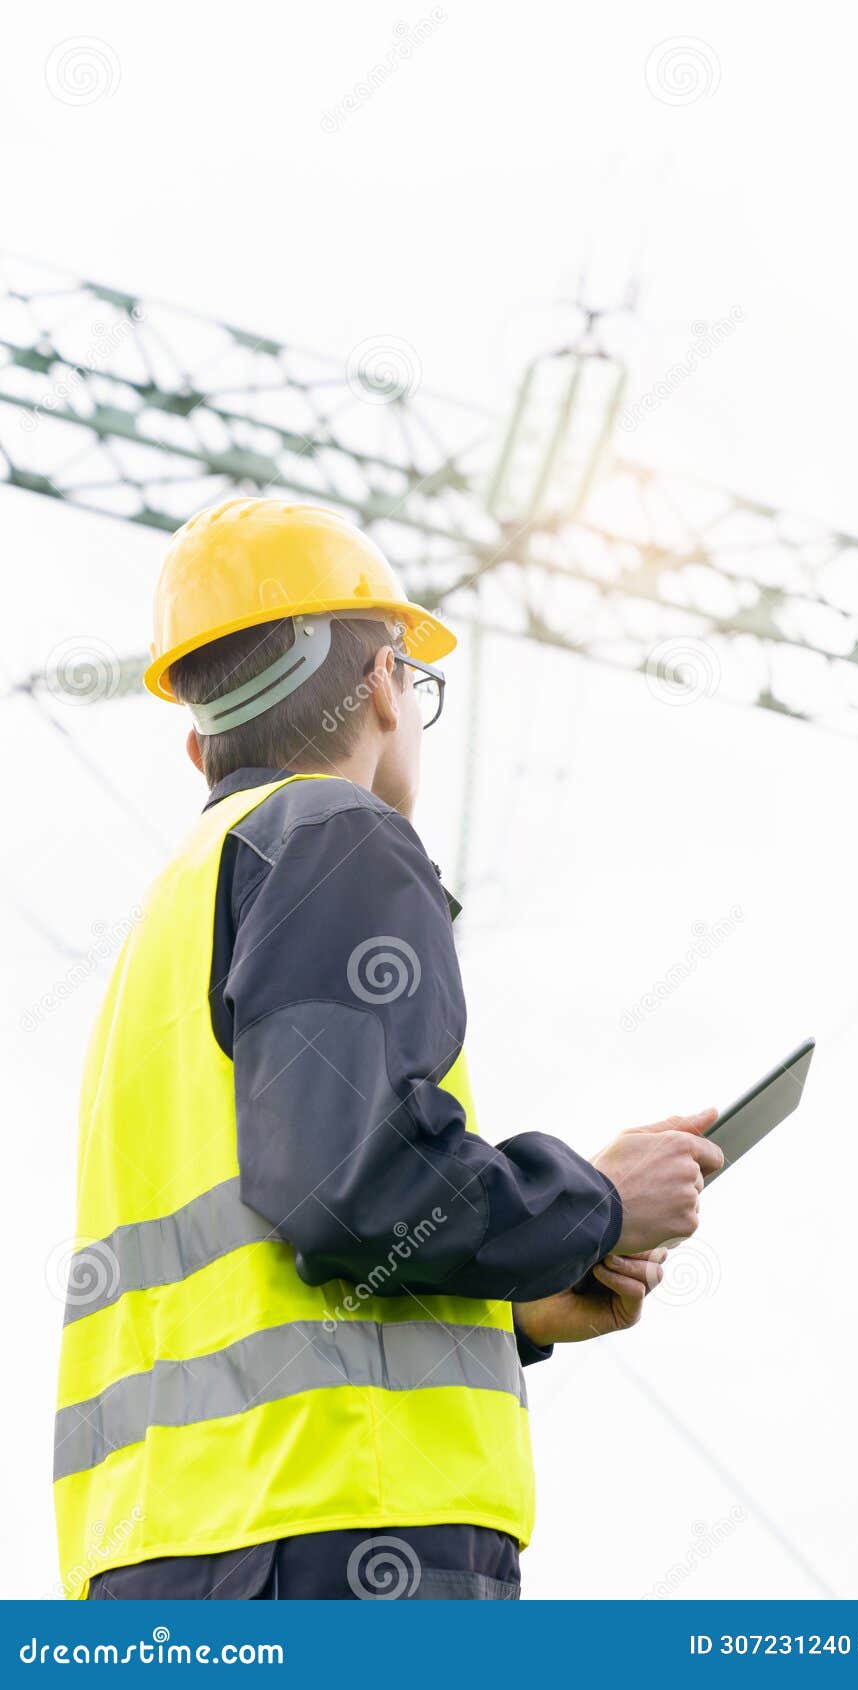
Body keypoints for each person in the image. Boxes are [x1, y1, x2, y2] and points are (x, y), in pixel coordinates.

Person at [54, 497, 722, 1601]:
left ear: (196, 744)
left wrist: (505, 1307)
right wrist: (592, 1205)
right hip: (342, 1540)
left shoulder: (168, 918)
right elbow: (347, 1183)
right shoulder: (333, 832)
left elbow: (265, 1248)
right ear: (381, 684)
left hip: (159, 1565)